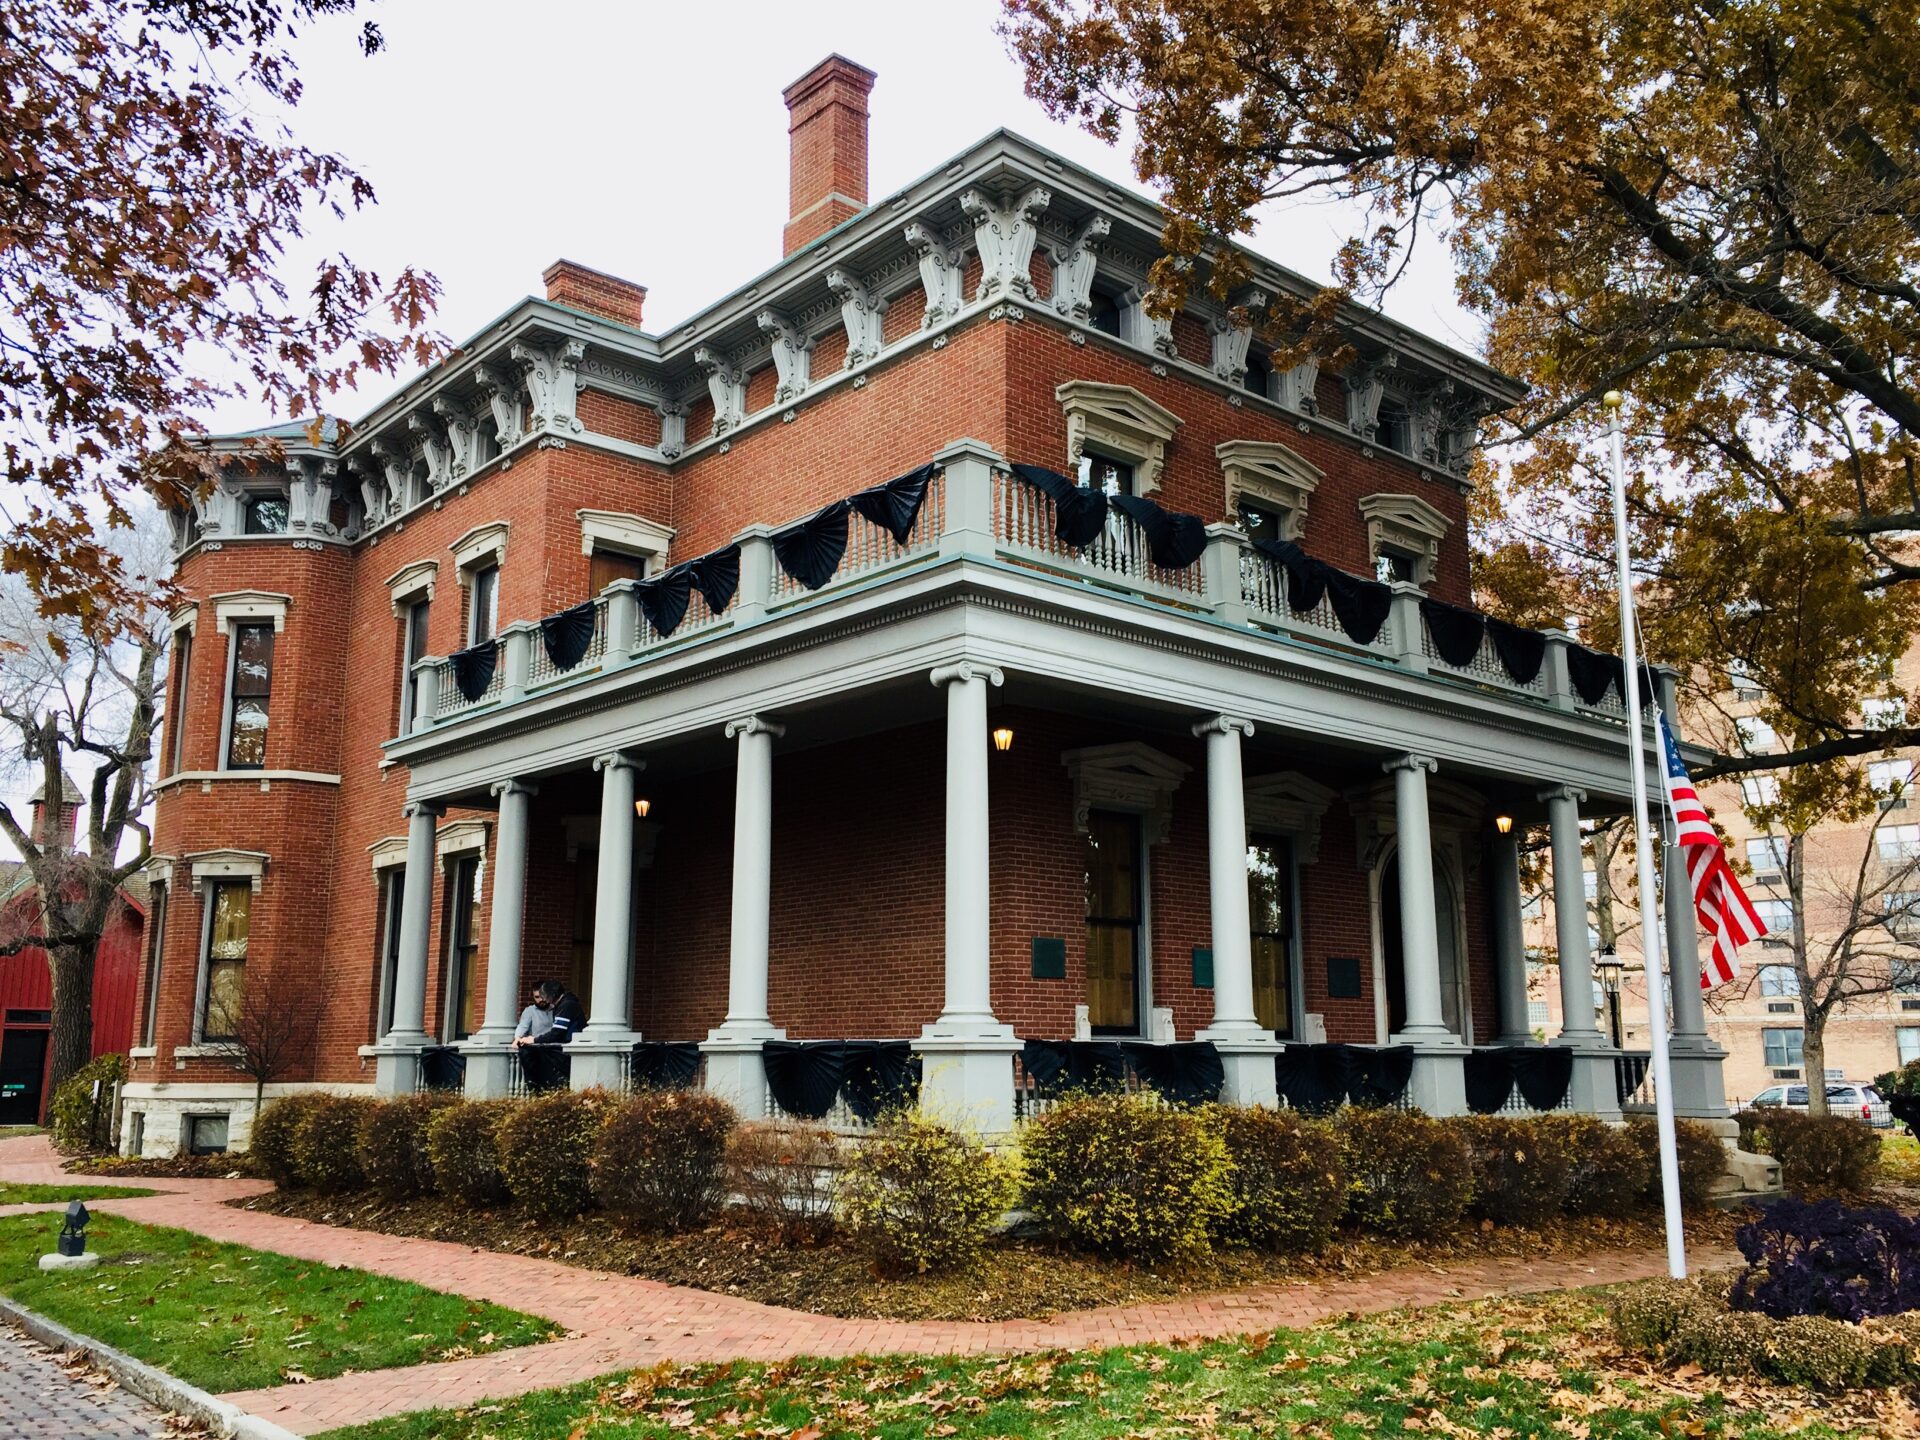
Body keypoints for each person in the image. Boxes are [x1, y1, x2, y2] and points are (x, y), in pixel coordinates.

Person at [516, 979, 584, 1047]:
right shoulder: (566, 1004)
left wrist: (534, 1040)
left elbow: (557, 1033)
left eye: (544, 995)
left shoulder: (565, 1005)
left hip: (570, 1046)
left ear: (552, 995)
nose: (543, 999)